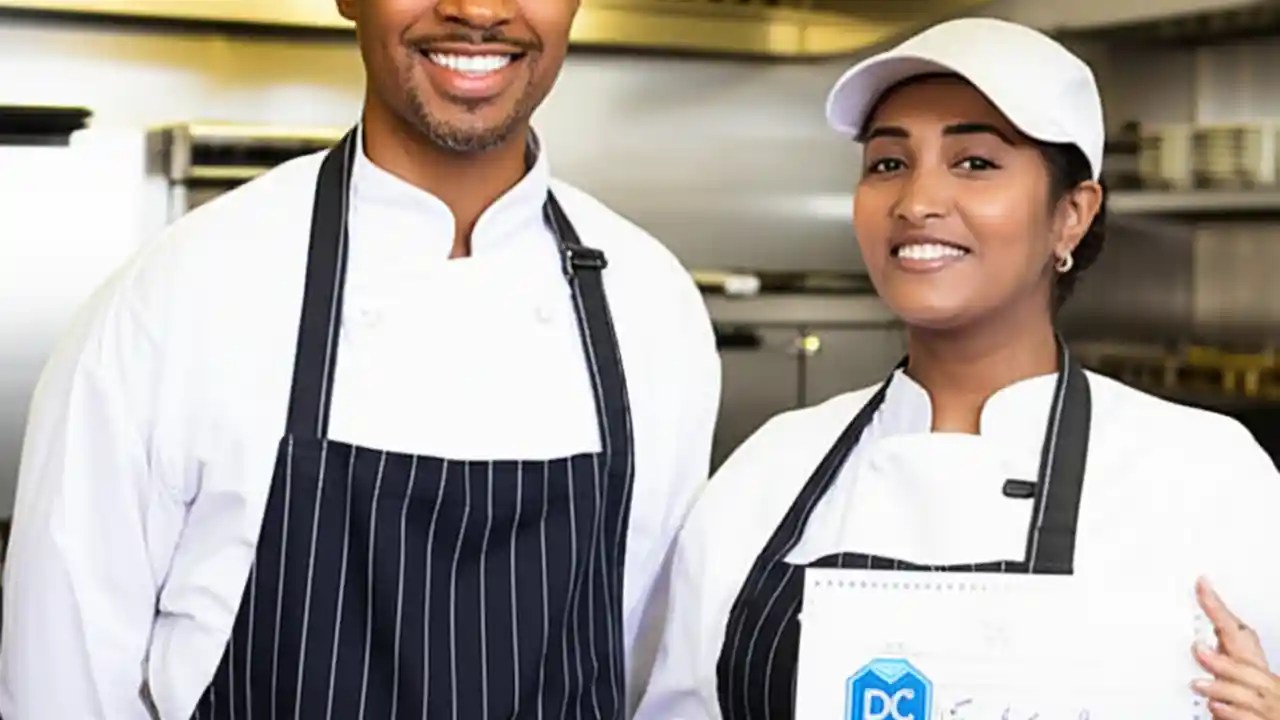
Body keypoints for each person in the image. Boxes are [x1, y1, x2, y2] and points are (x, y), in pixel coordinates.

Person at [0, 0, 721, 717]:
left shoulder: (651, 303)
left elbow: (665, 676)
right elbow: (61, 677)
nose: (477, 9)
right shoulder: (180, 293)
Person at [633, 17, 1280, 720]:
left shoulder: (1206, 476)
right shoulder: (770, 472)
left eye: (975, 162)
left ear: (1071, 215)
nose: (916, 203)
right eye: (888, 163)